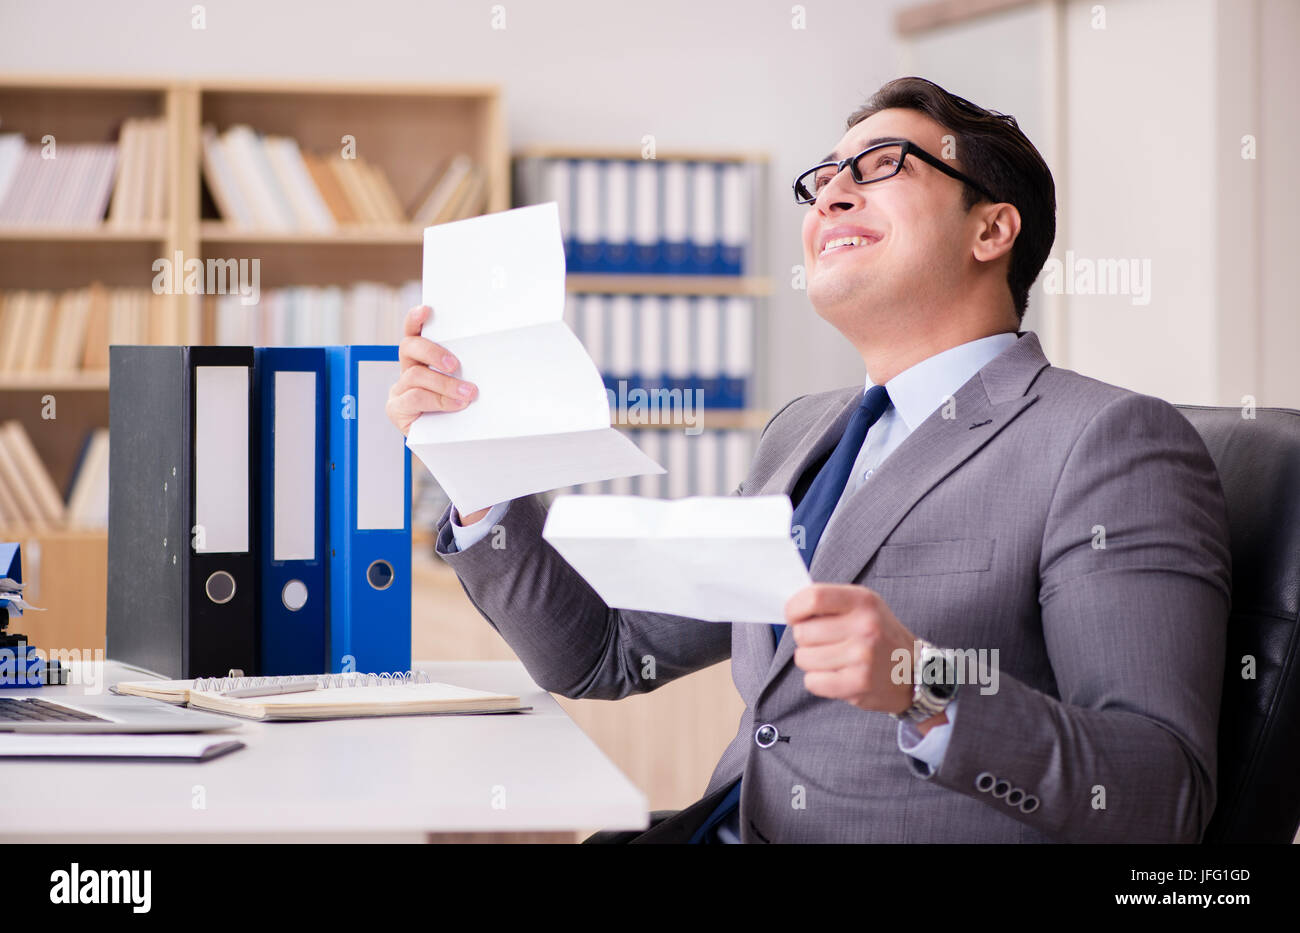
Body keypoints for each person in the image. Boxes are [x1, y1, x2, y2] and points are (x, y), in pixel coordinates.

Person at [385, 77, 1231, 843]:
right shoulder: (804, 432)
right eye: (821, 178)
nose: (831, 192)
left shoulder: (1109, 443)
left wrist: (923, 683)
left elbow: (1161, 794)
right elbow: (603, 653)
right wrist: (478, 466)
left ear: (991, 227)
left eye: (880, 163)